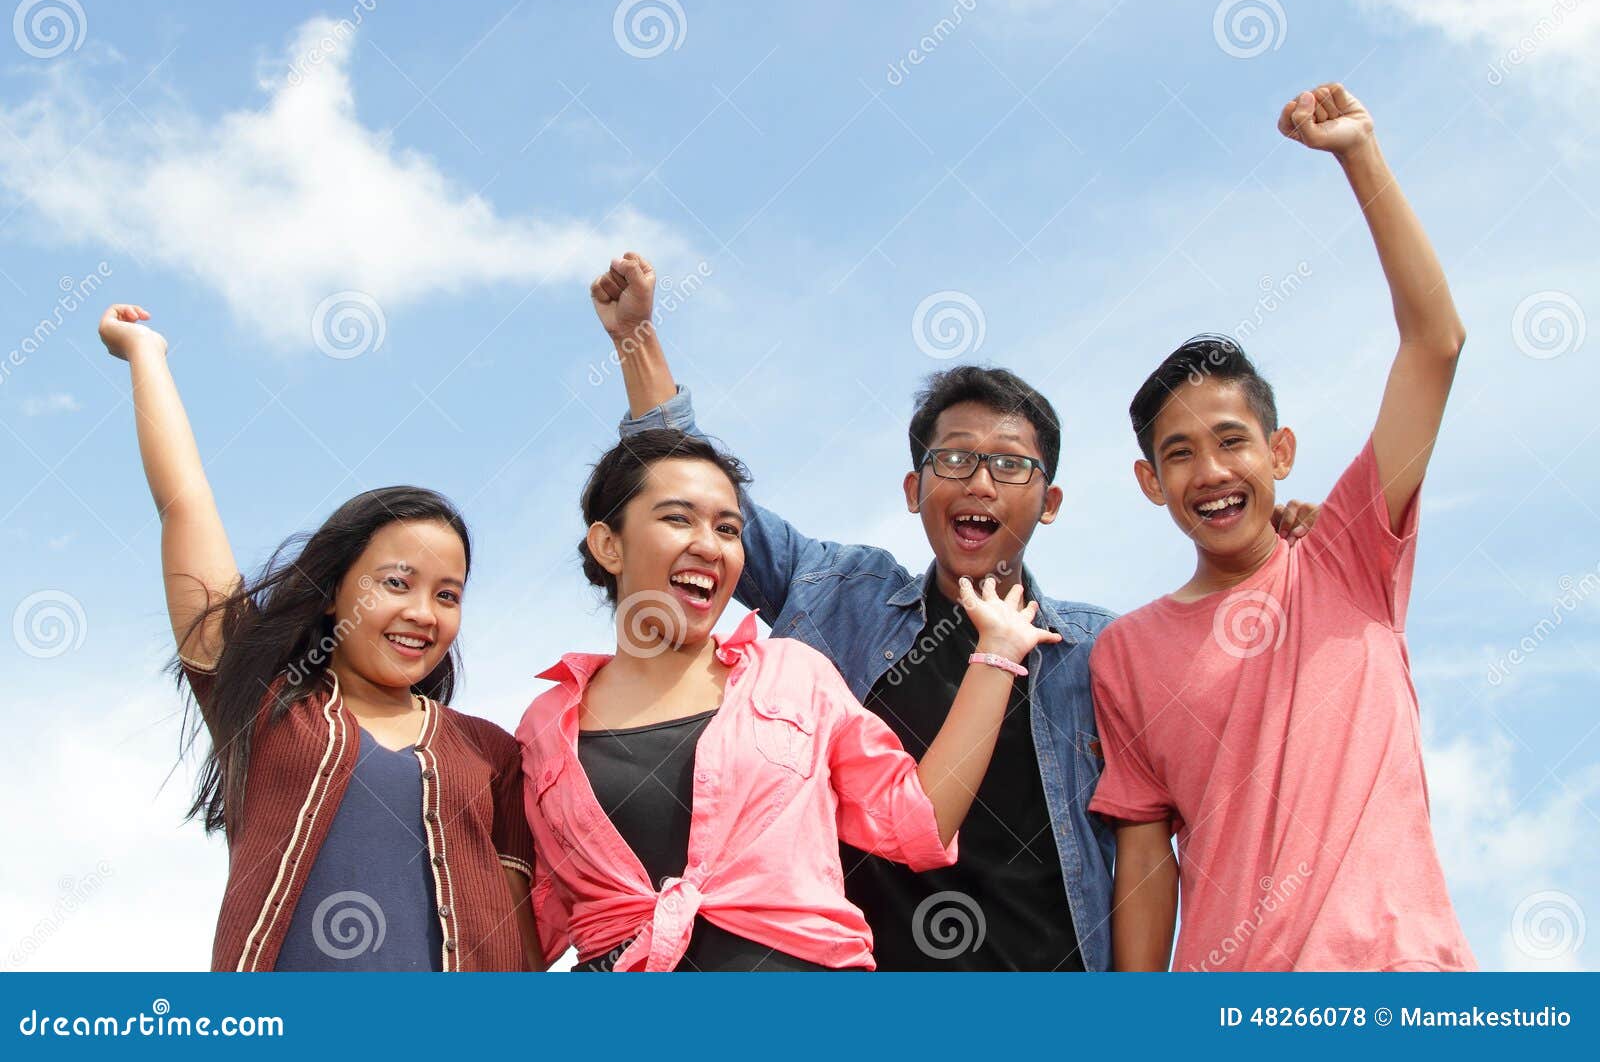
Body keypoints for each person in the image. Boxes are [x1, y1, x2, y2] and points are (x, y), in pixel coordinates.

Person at [576, 254, 1317, 971]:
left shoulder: (1102, 651)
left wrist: (1283, 552)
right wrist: (638, 338)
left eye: (1012, 464)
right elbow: (696, 495)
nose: (981, 482)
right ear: (913, 488)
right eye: (955, 459)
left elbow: (1159, 827)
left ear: (1049, 503)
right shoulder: (840, 596)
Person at [1088, 84, 1475, 971]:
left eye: (1233, 442)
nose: (1213, 472)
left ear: (1282, 451)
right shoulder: (1125, 652)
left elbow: (1436, 344)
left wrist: (1357, 154)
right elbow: (1148, 860)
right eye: (1180, 454)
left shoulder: (1349, 554)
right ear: (1150, 483)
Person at [518, 429, 1060, 970]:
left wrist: (996, 655)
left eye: (728, 528)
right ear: (609, 545)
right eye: (678, 518)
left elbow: (915, 823)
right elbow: (525, 914)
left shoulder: (795, 676)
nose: (709, 545)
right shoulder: (545, 726)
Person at [99, 303, 538, 971]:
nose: (425, 611)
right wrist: (144, 354)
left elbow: (520, 938)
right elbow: (184, 502)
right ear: (336, 592)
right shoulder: (265, 705)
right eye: (397, 582)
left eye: (447, 594)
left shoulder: (491, 753)